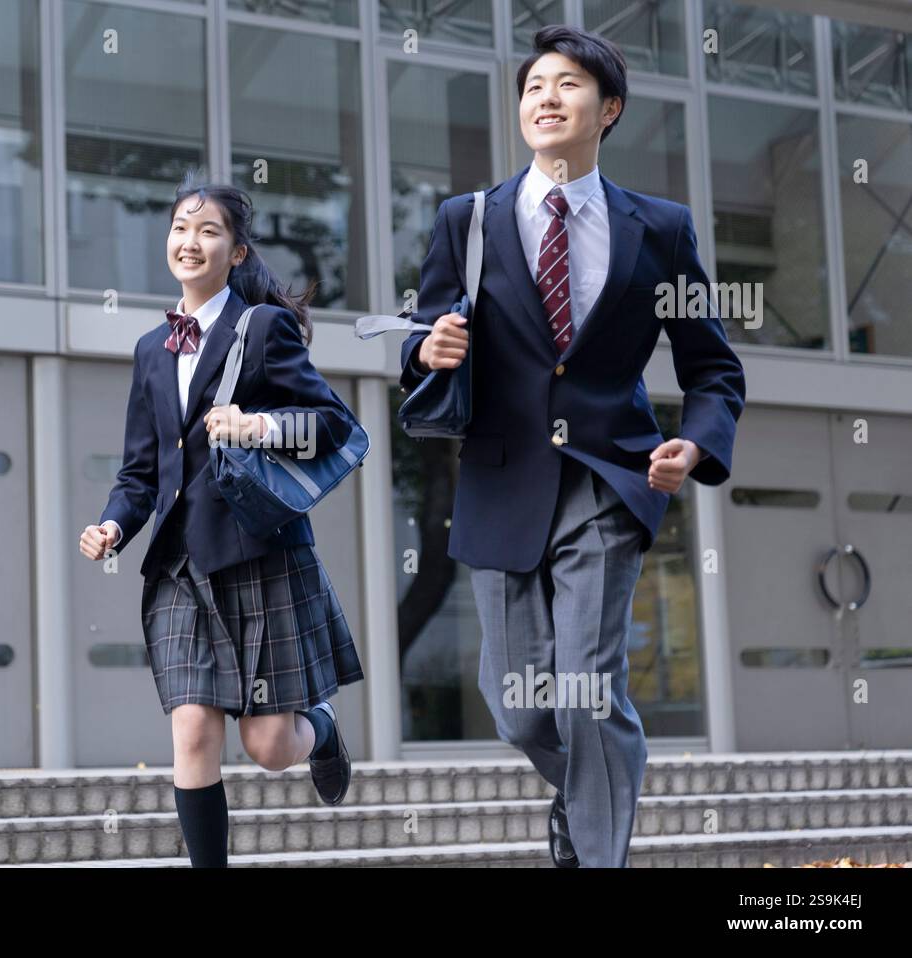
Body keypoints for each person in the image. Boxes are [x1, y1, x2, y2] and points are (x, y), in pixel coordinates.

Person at [400, 25, 746, 867]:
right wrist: (425, 347)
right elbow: (421, 336)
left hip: (607, 478)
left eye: (568, 85)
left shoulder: (658, 230)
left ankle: (598, 853)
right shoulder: (468, 221)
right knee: (519, 708)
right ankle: (591, 794)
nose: (546, 99)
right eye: (533, 87)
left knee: (589, 694)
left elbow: (713, 368)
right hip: (501, 481)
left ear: (609, 109)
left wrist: (692, 448)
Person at [79, 174, 365, 867]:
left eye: (208, 231)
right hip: (179, 565)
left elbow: (334, 424)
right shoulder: (152, 348)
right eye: (180, 227)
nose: (190, 240)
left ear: (236, 253)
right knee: (192, 730)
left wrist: (257, 424)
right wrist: (115, 523)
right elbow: (140, 471)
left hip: (258, 553)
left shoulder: (260, 328)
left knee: (268, 747)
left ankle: (320, 731)